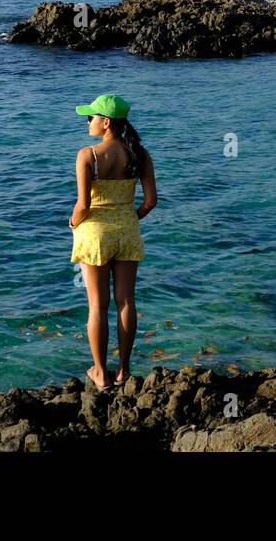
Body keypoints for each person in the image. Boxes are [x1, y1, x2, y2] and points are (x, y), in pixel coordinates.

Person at [69, 93, 157, 390]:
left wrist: (71, 222)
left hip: (95, 233)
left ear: (106, 122)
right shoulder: (140, 154)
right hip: (127, 231)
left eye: (91, 117)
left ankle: (100, 372)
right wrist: (130, 218)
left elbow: (83, 206)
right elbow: (150, 201)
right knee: (126, 301)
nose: (88, 121)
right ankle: (124, 371)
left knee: (97, 305)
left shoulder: (88, 156)